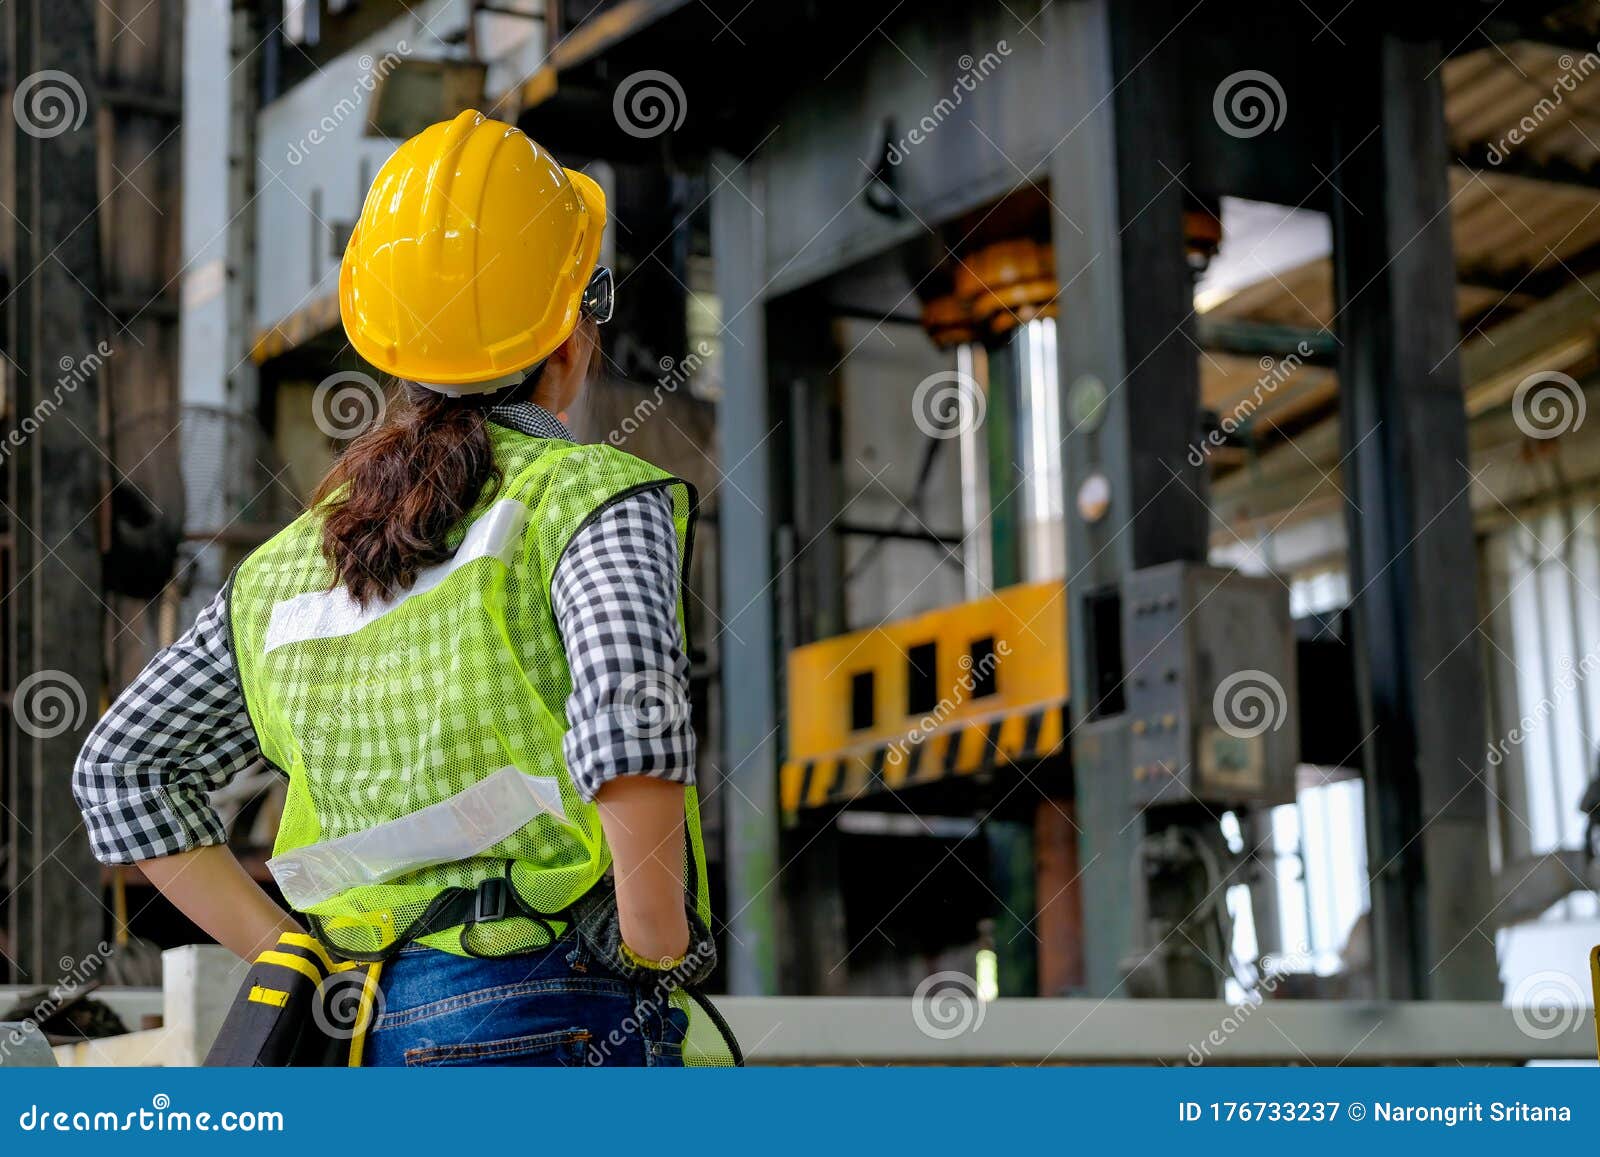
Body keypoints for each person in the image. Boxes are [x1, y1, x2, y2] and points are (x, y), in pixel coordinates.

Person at [73, 110, 717, 1067]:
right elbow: (626, 714)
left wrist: (289, 959)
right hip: (554, 1010)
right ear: (570, 339)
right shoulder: (591, 498)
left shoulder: (288, 565)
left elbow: (120, 770)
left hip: (362, 1035)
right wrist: (658, 941)